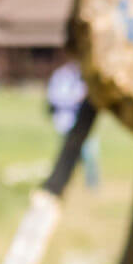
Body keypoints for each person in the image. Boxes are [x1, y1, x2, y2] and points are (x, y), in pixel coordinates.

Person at [46, 59, 100, 189]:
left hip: (82, 122)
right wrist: (74, 99)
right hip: (65, 121)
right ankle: (61, 183)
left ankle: (91, 184)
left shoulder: (83, 76)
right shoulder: (61, 76)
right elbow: (55, 97)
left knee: (90, 154)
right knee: (71, 154)